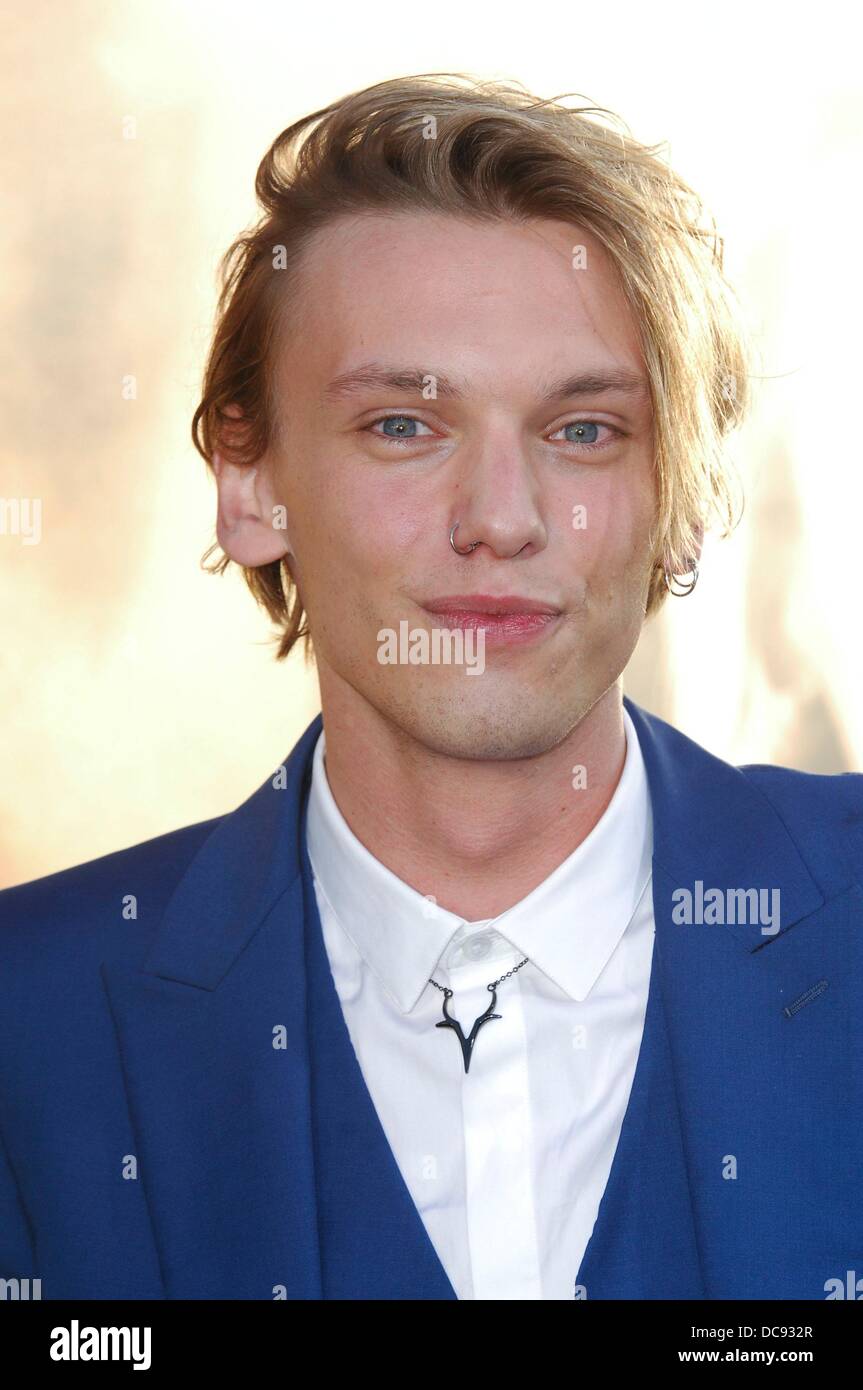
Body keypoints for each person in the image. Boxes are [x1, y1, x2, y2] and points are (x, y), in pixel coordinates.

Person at [1, 73, 860, 1302]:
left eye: (582, 430)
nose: (500, 520)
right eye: (404, 425)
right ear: (250, 485)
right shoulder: (25, 1023)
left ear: (673, 492)